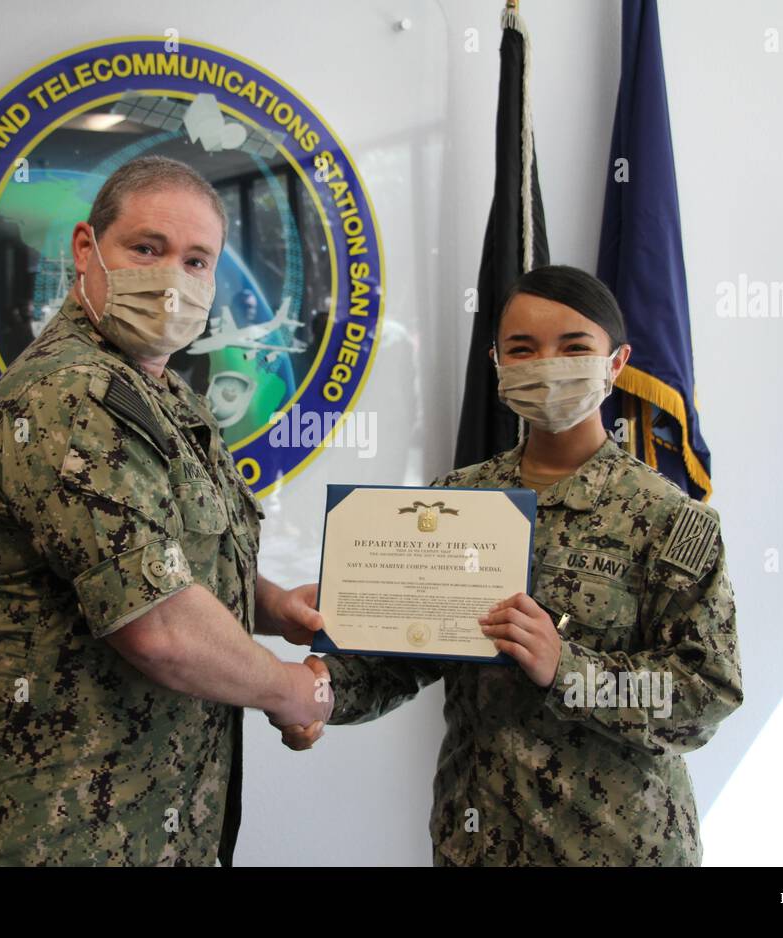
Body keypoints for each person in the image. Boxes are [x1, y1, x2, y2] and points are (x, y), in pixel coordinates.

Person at [0, 156, 329, 866]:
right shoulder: (70, 395)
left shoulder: (164, 397)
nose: (172, 279)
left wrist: (277, 606)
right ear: (85, 249)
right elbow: (158, 626)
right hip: (39, 833)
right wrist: (290, 690)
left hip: (140, 822)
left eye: (197, 261)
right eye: (147, 248)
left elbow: (171, 557)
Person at [281, 264, 743, 866]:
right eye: (523, 349)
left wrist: (568, 668)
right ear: (498, 362)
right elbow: (399, 657)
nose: (547, 363)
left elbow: (704, 695)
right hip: (475, 843)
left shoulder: (669, 519)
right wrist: (320, 694)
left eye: (574, 347)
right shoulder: (456, 500)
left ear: (617, 362)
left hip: (615, 849)